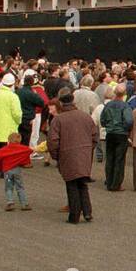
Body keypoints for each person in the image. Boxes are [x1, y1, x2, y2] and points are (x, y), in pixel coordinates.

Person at [48, 91, 99, 224]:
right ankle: (87, 212)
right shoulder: (85, 117)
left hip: (67, 154)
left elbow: (53, 141)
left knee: (71, 184)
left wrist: (56, 156)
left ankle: (74, 215)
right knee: (82, 182)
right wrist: (88, 149)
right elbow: (95, 136)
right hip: (84, 153)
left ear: (61, 103)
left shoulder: (58, 120)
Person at [100, 86, 133, 191]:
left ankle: (109, 181)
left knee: (110, 158)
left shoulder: (108, 105)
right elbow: (129, 121)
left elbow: (102, 119)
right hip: (121, 134)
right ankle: (116, 183)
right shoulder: (125, 106)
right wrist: (125, 129)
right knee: (119, 159)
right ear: (124, 94)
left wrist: (108, 125)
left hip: (110, 133)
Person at [0, 73, 23, 178]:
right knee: (7, 152)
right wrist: (19, 121)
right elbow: (17, 114)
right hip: (9, 128)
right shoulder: (13, 97)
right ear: (12, 84)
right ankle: (4, 172)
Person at [0, 130, 33, 211]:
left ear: (8, 140)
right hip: (17, 170)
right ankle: (24, 204)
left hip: (7, 171)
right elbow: (29, 151)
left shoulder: (3, 150)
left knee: (8, 187)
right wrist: (26, 163)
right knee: (20, 187)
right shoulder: (22, 149)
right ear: (20, 140)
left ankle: (10, 202)